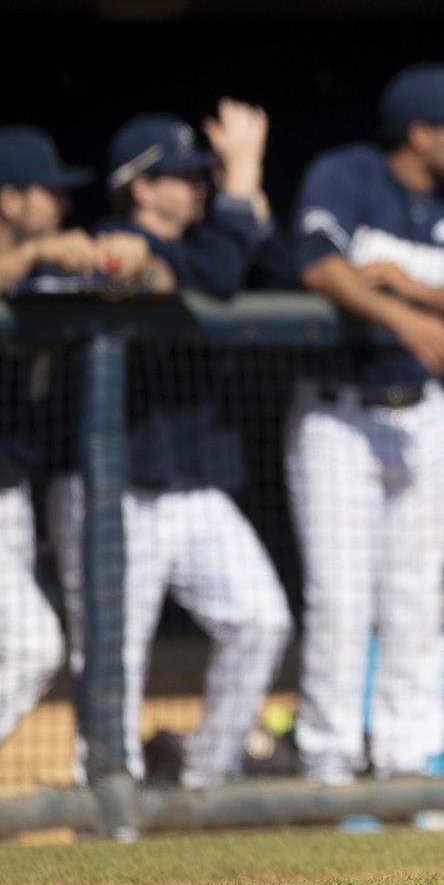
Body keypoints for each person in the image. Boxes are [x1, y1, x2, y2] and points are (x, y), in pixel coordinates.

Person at [286, 64, 444, 784]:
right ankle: (327, 762)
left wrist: (414, 290)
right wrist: (401, 317)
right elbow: (318, 264)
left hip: (423, 415)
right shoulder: (348, 174)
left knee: (418, 595)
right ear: (421, 132)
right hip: (340, 411)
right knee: (341, 596)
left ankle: (404, 759)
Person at [50, 105, 293, 787]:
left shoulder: (216, 238)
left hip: (192, 485)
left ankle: (204, 779)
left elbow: (285, 273)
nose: (198, 188)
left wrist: (252, 206)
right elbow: (210, 273)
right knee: (110, 655)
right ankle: (108, 811)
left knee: (261, 620)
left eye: (202, 176)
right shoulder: (115, 239)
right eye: (181, 177)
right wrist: (240, 185)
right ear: (141, 185)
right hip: (110, 486)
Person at [0, 126, 99, 776]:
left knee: (4, 647)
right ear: (8, 199)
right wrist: (32, 258)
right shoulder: (5, 262)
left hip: (8, 489)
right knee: (31, 643)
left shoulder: (46, 270)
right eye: (47, 194)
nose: (59, 207)